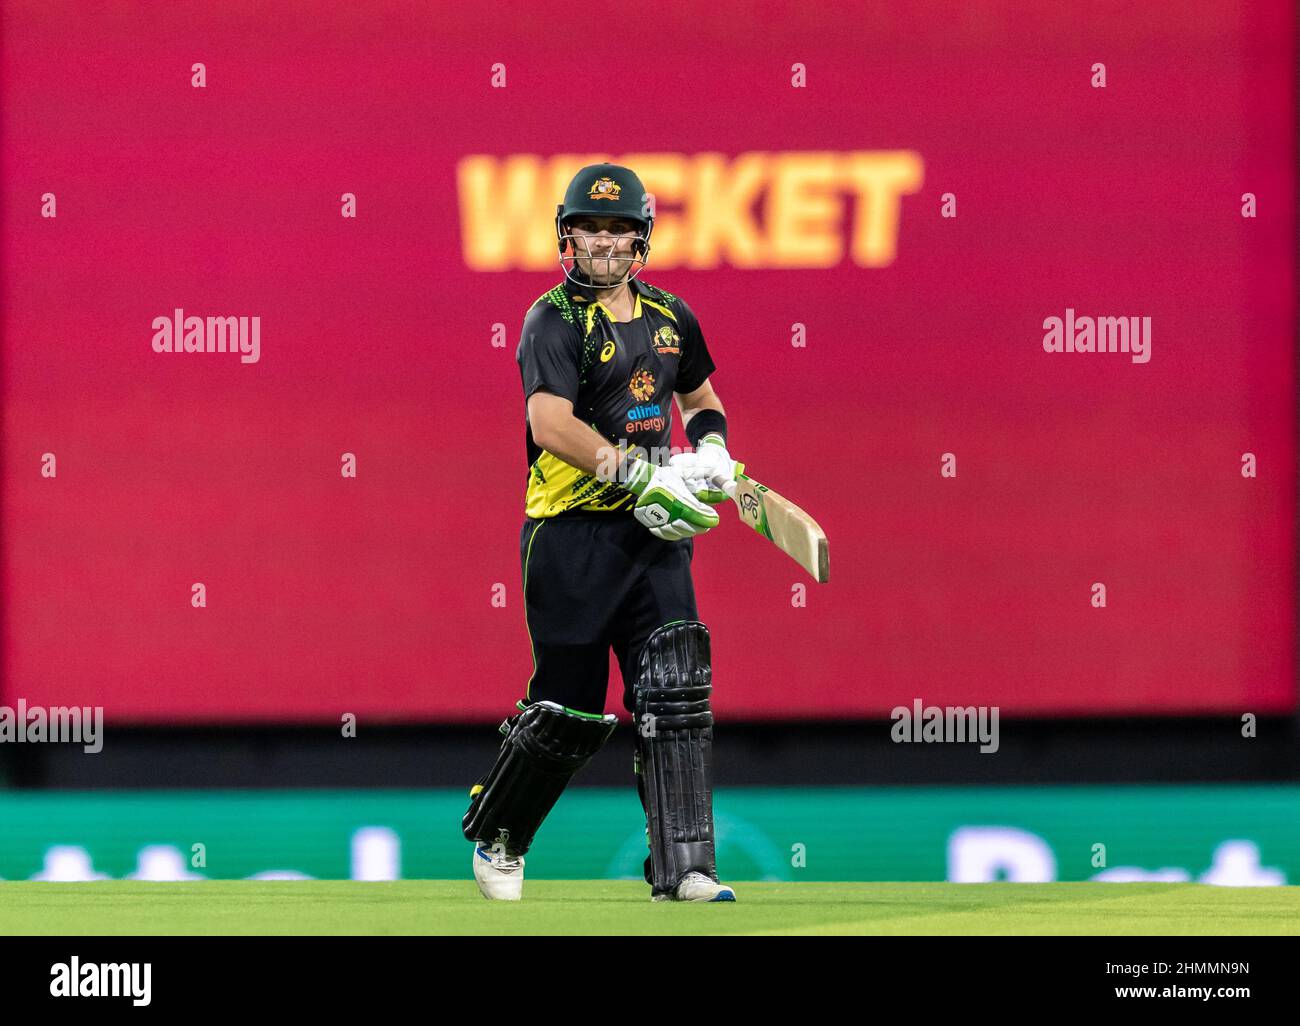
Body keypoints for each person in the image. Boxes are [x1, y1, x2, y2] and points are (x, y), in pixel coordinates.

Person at [461, 162, 742, 902]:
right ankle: (501, 836)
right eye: (590, 228)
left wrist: (709, 448)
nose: (604, 244)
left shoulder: (672, 317)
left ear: (642, 238)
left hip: (655, 534)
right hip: (569, 535)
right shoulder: (551, 319)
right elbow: (549, 424)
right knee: (569, 708)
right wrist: (636, 472)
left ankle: (685, 867)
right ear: (567, 235)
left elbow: (702, 397)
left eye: (619, 230)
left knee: (674, 690)